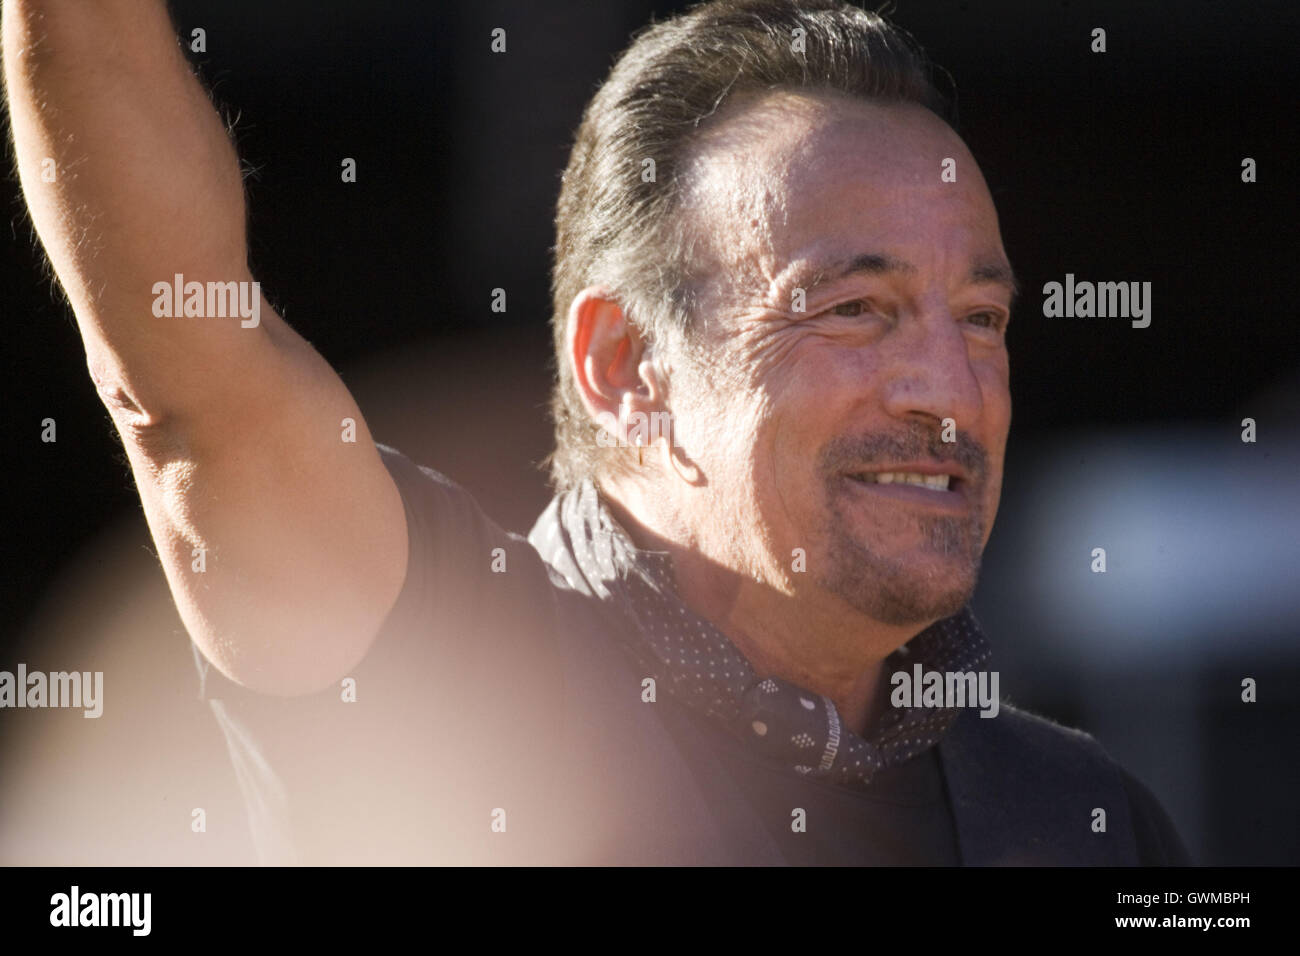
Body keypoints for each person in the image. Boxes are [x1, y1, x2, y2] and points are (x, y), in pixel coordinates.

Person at [4, 0, 1190, 865]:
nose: (948, 383)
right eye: (854, 309)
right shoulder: (441, 665)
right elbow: (185, 377)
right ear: (626, 368)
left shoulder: (1088, 816)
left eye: (981, 318)